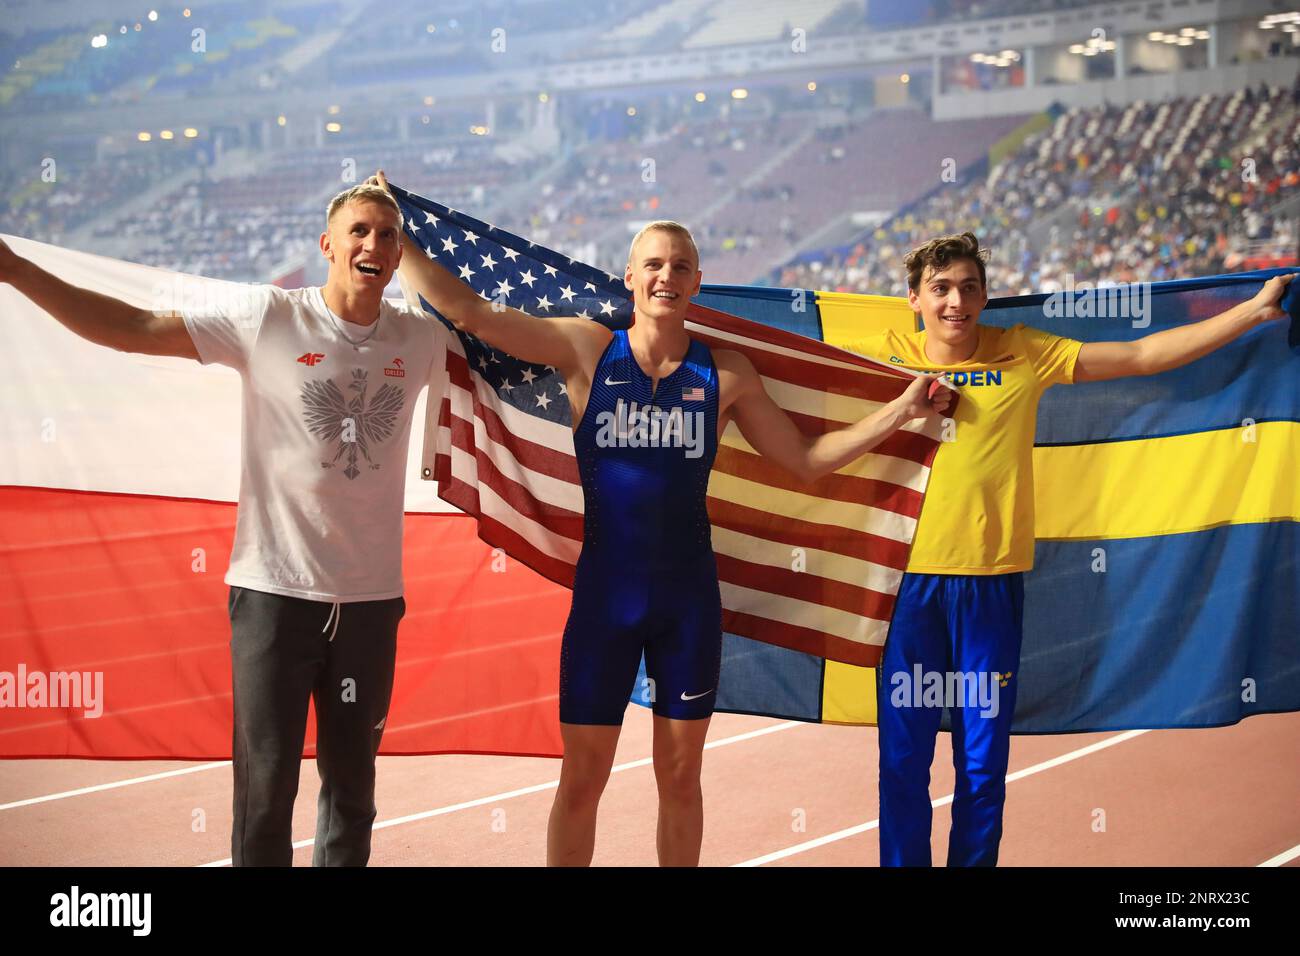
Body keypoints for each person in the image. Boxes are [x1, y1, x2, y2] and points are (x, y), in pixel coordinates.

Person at [376, 171, 954, 866]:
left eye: (680, 267)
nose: (666, 276)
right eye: (653, 264)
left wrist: (902, 412)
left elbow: (803, 461)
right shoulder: (587, 349)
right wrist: (397, 232)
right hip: (604, 604)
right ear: (630, 277)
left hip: (687, 606)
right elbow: (474, 315)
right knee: (582, 778)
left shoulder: (728, 374)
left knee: (679, 777)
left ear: (697, 281)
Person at [0, 183, 447, 866]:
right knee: (265, 792)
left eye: (389, 236)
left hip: (369, 602)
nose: (374, 246)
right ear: (327, 245)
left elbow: (508, 331)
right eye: (359, 231)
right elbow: (135, 328)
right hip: (273, 598)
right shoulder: (268, 319)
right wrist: (17, 270)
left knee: (354, 792)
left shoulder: (419, 336)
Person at [846, 231, 1294, 867]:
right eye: (941, 289)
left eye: (969, 288)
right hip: (907, 590)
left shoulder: (1024, 353)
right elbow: (777, 363)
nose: (956, 302)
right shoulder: (880, 357)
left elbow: (1139, 355)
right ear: (914, 298)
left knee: (981, 764)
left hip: (990, 588)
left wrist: (1250, 311)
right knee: (903, 760)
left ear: (984, 295)